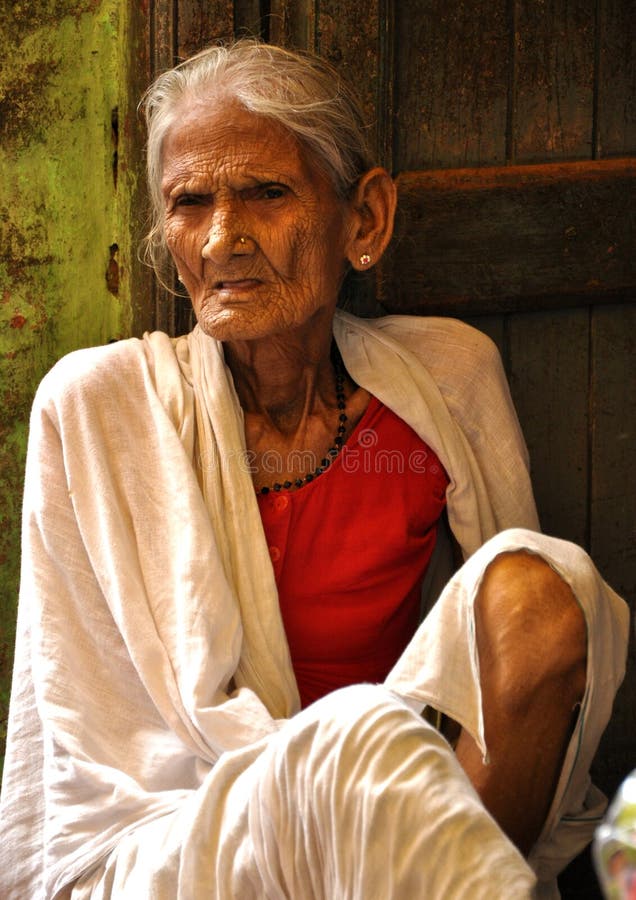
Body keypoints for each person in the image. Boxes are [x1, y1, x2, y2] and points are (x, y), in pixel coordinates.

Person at [0, 40, 628, 900]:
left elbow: (504, 677)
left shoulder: (445, 380)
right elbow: (81, 726)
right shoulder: (98, 406)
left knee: (551, 585)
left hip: (391, 813)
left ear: (363, 220)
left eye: (266, 193)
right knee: (365, 745)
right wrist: (327, 774)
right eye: (190, 202)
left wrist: (370, 784)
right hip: (186, 833)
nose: (223, 238)